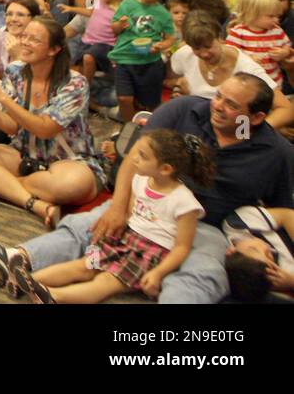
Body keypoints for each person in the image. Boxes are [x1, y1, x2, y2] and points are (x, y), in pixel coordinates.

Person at [0, 73, 294, 304]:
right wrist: (119, 206)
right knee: (87, 227)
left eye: (232, 105)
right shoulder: (186, 109)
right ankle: (17, 259)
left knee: (202, 274)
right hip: (145, 201)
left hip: (203, 226)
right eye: (219, 96)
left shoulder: (275, 153)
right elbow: (135, 157)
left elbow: (283, 213)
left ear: (258, 117)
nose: (218, 106)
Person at [16, 130, 212, 303]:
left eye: (143, 156)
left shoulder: (184, 202)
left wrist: (158, 273)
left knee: (106, 281)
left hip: (148, 253)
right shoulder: (141, 180)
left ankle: (53, 296)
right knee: (84, 265)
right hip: (125, 240)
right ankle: (27, 280)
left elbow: (182, 247)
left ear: (165, 169)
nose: (135, 159)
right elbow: (132, 214)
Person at [0, 18, 106, 228]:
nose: (24, 42)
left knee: (71, 184)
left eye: (34, 39)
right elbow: (12, 126)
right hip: (24, 155)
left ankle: (2, 185)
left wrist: (1, 98)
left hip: (68, 160)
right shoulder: (16, 71)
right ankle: (35, 204)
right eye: (24, 36)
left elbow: (45, 129)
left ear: (54, 49)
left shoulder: (75, 82)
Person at [108, 0, 176, 121]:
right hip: (124, 58)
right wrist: (120, 24)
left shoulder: (163, 14)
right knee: (124, 98)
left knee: (151, 103)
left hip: (150, 62)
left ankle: (149, 126)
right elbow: (114, 28)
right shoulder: (127, 4)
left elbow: (170, 38)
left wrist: (160, 46)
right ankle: (127, 126)